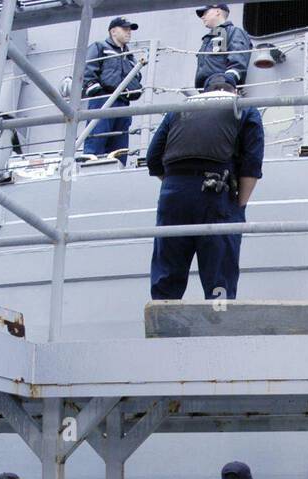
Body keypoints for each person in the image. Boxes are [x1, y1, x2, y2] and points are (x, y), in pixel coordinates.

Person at [146, 73, 264, 301]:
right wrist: (239, 205)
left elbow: (153, 159)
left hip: (173, 195)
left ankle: (163, 326)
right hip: (217, 194)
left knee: (167, 274)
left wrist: (175, 182)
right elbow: (252, 164)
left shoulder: (177, 110)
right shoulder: (245, 108)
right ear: (235, 92)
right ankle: (218, 328)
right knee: (219, 279)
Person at [82, 16, 143, 163]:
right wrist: (95, 90)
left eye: (130, 29)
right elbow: (88, 69)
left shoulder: (129, 56)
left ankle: (118, 168)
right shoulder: (100, 47)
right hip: (103, 100)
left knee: (119, 145)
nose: (129, 32)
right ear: (113, 31)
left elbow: (136, 77)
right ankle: (91, 166)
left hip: (123, 103)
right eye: (125, 29)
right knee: (97, 138)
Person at [193, 4, 252, 91]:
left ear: (217, 11)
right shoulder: (208, 39)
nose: (202, 17)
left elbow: (239, 59)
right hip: (207, 89)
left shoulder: (233, 32)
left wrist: (227, 80)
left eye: (205, 12)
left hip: (223, 88)